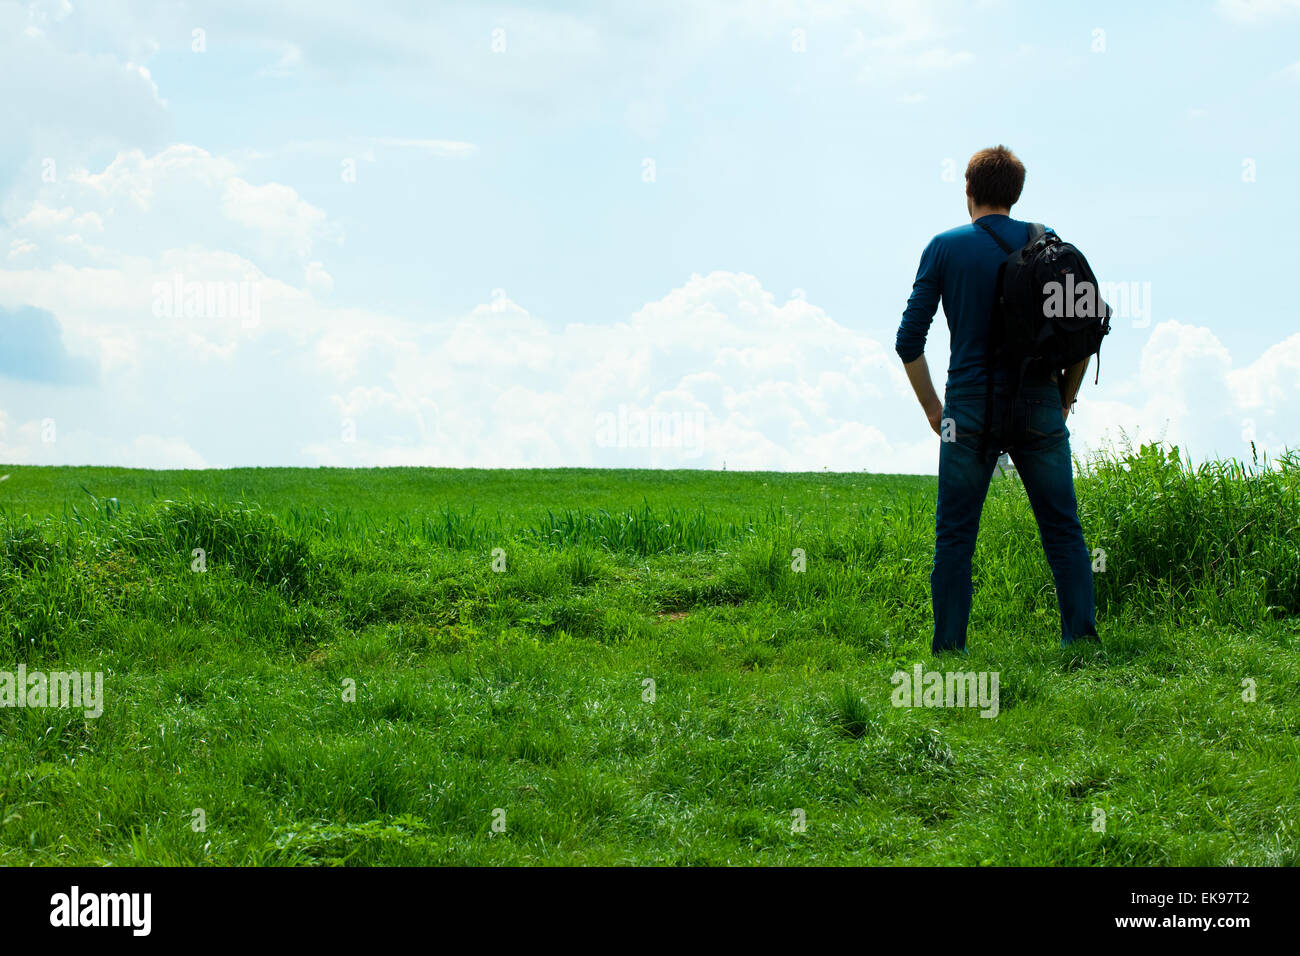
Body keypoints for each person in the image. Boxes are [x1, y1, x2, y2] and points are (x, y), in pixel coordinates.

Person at [895, 145, 1099, 654]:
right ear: (1017, 194)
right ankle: (1080, 642)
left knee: (955, 536)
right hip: (1039, 401)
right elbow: (1085, 332)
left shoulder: (944, 247)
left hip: (965, 407)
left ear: (968, 189)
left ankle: (949, 651)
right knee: (1062, 530)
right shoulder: (1046, 241)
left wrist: (934, 410)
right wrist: (1064, 398)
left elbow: (908, 341)